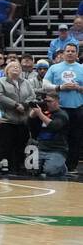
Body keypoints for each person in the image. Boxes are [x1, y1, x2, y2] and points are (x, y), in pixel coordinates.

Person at [41, 42, 82, 171]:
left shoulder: (81, 68)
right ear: (63, 53)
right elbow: (44, 85)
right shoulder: (54, 68)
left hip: (77, 108)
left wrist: (79, 88)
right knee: (58, 137)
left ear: (77, 54)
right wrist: (60, 87)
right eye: (68, 51)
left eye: (73, 51)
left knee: (76, 137)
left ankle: (71, 167)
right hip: (58, 109)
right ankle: (58, 165)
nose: (70, 53)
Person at [0, 59, 35, 173]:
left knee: (21, 145)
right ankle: (3, 166)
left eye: (18, 67)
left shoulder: (26, 82)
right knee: (5, 146)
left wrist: (24, 105)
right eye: (13, 66)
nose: (16, 68)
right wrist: (15, 105)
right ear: (7, 70)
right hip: (6, 120)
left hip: (23, 120)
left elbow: (32, 96)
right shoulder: (1, 81)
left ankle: (17, 167)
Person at [31, 92, 69, 178]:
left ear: (57, 101)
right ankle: (54, 164)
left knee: (50, 171)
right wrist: (33, 114)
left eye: (49, 101)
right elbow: (29, 124)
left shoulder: (62, 114)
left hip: (56, 149)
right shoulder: (44, 112)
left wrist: (40, 114)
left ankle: (62, 167)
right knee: (32, 170)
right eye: (45, 101)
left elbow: (54, 126)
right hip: (41, 148)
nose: (47, 103)